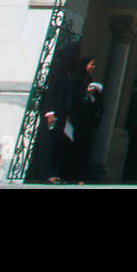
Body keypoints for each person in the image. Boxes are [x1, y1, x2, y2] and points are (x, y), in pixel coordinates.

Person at [37, 40, 81, 184]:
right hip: (53, 112)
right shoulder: (58, 68)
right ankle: (44, 173)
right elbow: (51, 91)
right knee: (47, 143)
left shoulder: (68, 71)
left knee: (57, 144)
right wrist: (49, 112)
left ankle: (54, 173)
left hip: (61, 113)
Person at [70, 55, 104, 183]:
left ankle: (82, 174)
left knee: (86, 147)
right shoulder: (77, 80)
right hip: (78, 118)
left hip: (88, 120)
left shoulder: (90, 80)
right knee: (76, 146)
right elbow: (74, 99)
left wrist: (93, 95)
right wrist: (86, 94)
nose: (93, 67)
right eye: (91, 64)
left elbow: (96, 102)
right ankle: (73, 175)